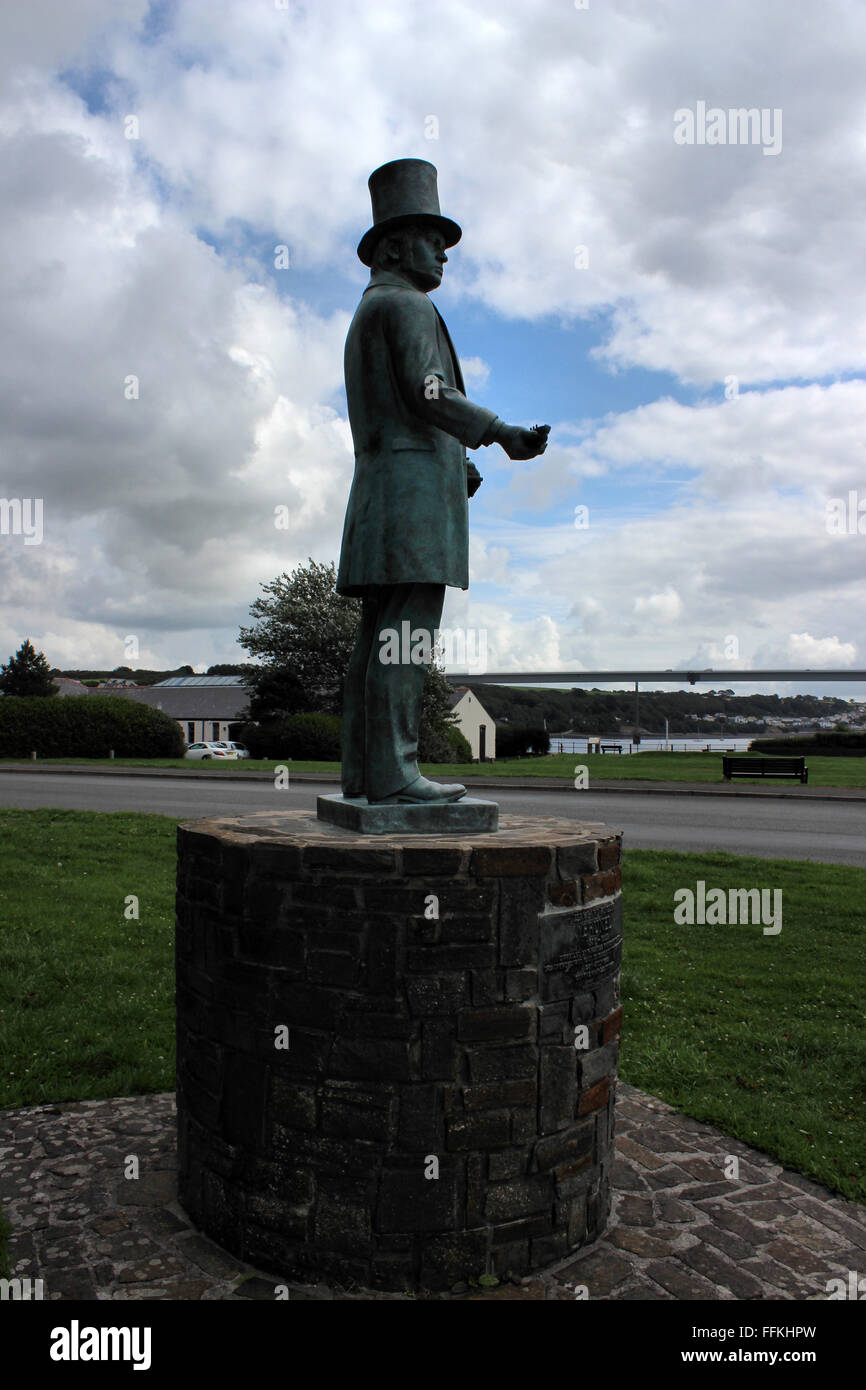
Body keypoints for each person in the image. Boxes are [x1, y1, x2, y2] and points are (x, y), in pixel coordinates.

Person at [337, 159, 548, 804]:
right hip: (412, 506)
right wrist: (498, 429)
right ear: (397, 245)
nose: (444, 256)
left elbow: (400, 410)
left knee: (379, 640)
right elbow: (430, 393)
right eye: (435, 240)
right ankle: (396, 774)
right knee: (404, 639)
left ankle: (367, 775)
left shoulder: (372, 309)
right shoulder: (405, 305)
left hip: (386, 495)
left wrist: (459, 464)